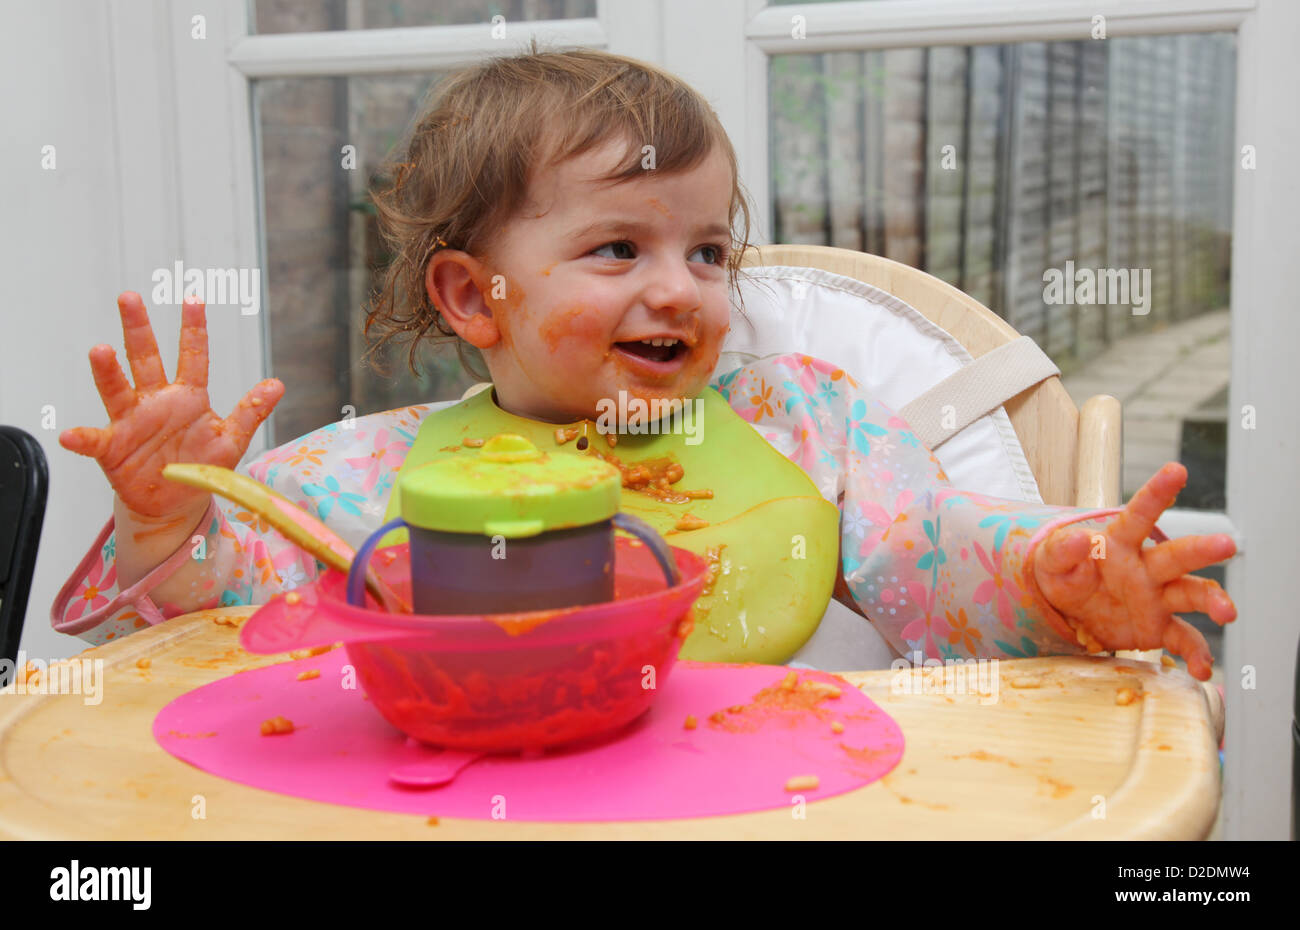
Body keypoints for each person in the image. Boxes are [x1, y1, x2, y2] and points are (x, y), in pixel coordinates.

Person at [52, 47, 1236, 680]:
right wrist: (166, 522)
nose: (680, 286)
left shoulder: (801, 426)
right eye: (617, 247)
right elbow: (210, 628)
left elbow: (940, 560)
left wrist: (1054, 573)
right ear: (474, 294)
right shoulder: (374, 481)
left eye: (710, 249)